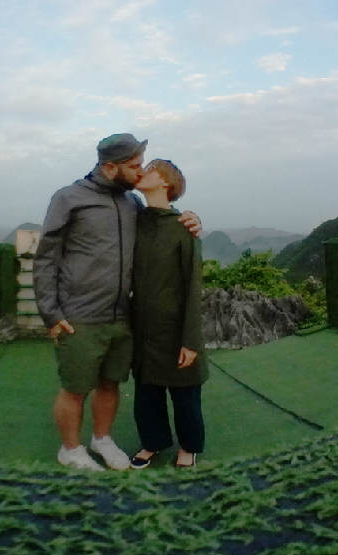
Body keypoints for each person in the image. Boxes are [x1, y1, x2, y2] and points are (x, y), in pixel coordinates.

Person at [35, 133, 201, 471]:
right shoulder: (69, 198)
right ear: (111, 167)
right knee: (76, 387)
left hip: (122, 318)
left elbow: (163, 221)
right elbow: (46, 257)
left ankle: (103, 438)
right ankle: (70, 449)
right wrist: (50, 313)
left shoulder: (132, 204)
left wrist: (191, 220)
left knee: (110, 383)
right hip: (78, 315)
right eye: (135, 166)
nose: (141, 172)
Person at [127, 158, 205, 468]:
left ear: (165, 182)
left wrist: (191, 340)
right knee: (147, 391)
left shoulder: (182, 228)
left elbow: (192, 286)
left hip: (175, 327)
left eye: (150, 169)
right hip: (142, 326)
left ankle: (189, 446)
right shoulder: (136, 220)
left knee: (185, 394)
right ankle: (152, 442)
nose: (141, 171)